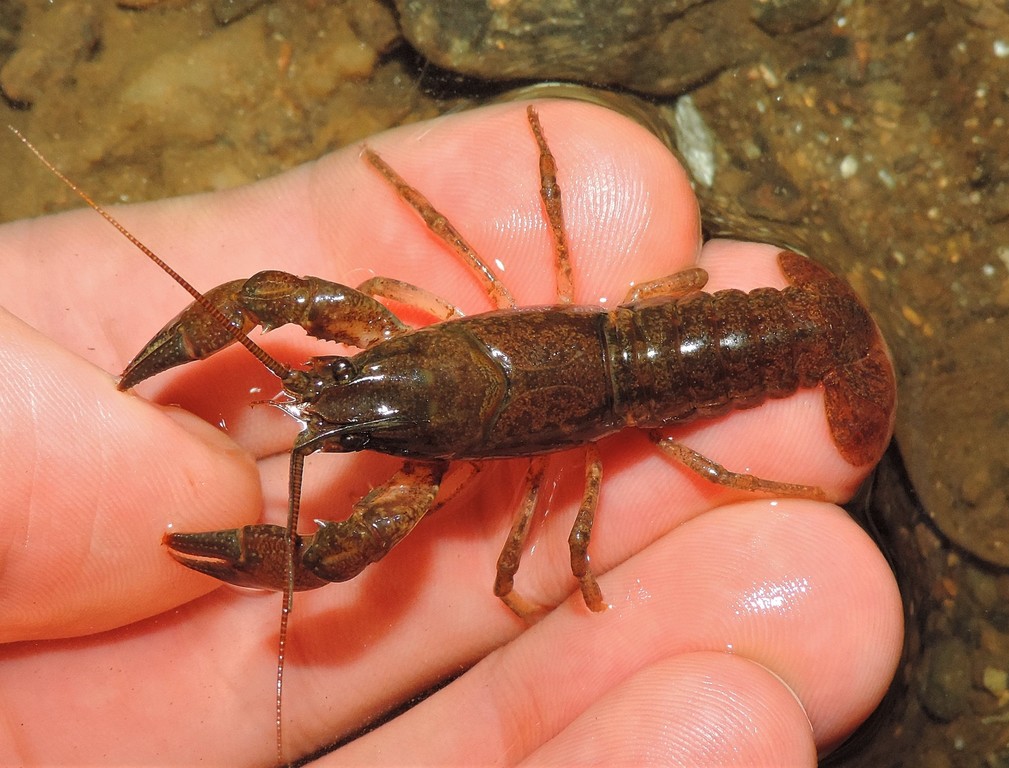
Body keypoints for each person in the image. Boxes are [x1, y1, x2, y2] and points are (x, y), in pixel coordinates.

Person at [0, 100, 902, 766]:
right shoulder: (397, 346)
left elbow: (334, 547)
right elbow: (270, 308)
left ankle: (821, 348)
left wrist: (531, 575)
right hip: (650, 341)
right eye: (345, 384)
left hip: (690, 356)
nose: (330, 395)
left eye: (341, 384)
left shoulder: (426, 450)